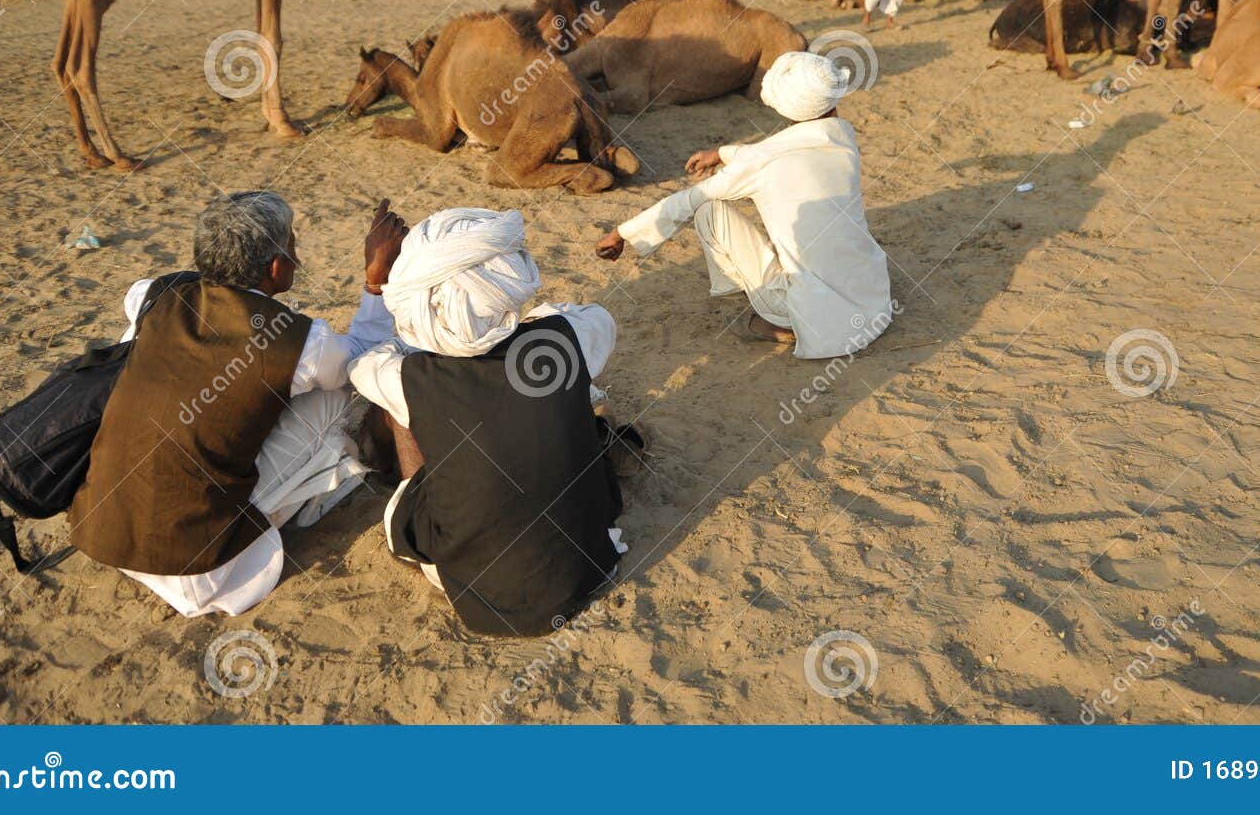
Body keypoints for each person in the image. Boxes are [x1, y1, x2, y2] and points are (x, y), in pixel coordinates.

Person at [67, 192, 407, 618]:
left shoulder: (152, 295)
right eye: (292, 244)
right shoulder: (302, 343)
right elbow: (360, 355)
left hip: (101, 531)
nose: (297, 255)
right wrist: (376, 280)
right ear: (277, 267)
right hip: (198, 566)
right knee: (334, 396)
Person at [348, 207, 627, 637]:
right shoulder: (565, 337)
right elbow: (598, 319)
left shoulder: (408, 379)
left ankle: (420, 494)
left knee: (404, 409)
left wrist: (377, 283)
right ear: (508, 281)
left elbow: (361, 363)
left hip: (474, 585)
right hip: (584, 564)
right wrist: (535, 322)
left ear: (424, 304)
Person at [595, 51, 894, 359]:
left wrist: (621, 233)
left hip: (821, 319)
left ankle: (777, 319)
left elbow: (687, 200)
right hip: (872, 300)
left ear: (783, 106)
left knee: (708, 209)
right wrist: (723, 152)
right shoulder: (843, 138)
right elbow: (784, 148)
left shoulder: (762, 161)